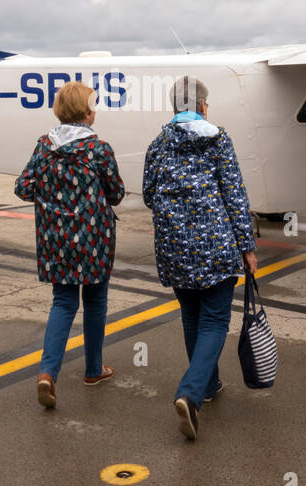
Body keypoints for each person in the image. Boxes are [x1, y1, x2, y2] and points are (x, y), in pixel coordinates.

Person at [142, 76, 258, 441]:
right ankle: (190, 393)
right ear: (203, 105)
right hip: (216, 247)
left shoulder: (158, 144)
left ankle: (207, 386)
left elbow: (148, 193)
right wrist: (247, 247)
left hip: (175, 248)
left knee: (192, 318)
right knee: (214, 323)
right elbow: (234, 194)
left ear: (174, 106)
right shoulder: (217, 139)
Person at [14, 81, 125, 409]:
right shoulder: (98, 149)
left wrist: (52, 197)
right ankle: (93, 369)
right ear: (88, 112)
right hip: (93, 240)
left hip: (55, 240)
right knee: (95, 302)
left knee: (63, 303)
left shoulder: (43, 146)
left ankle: (48, 373)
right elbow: (116, 194)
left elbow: (23, 187)